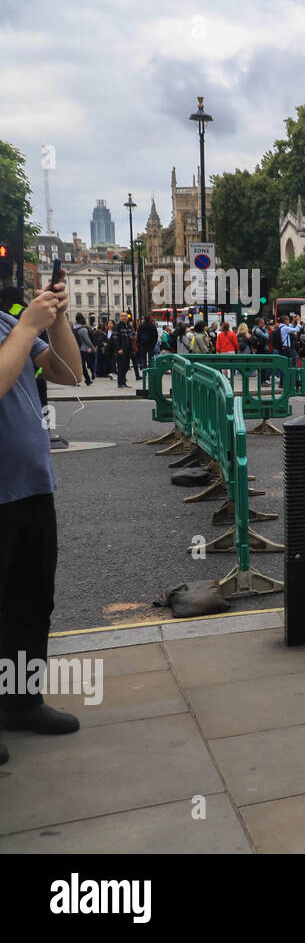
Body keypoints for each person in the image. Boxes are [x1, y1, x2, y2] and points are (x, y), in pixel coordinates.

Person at [0, 277, 84, 765]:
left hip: (31, 488)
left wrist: (57, 319)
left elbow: (70, 372)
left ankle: (20, 702)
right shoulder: (16, 325)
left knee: (31, 603)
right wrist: (30, 321)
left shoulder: (7, 323)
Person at [110, 311, 135, 388]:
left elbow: (132, 335)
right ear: (120, 317)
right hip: (121, 349)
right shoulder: (117, 326)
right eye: (122, 316)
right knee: (121, 366)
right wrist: (118, 348)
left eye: (125, 316)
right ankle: (120, 383)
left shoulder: (127, 326)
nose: (124, 317)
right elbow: (115, 338)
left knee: (126, 366)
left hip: (127, 349)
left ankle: (123, 382)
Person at [72, 313, 95, 385]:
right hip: (82, 349)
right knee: (83, 366)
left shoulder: (72, 328)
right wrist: (93, 348)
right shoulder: (83, 329)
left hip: (74, 349)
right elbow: (87, 341)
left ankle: (75, 380)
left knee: (76, 365)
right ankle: (87, 379)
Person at [135, 316, 158, 380]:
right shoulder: (152, 326)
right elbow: (156, 335)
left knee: (143, 358)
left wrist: (139, 343)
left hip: (143, 344)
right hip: (151, 344)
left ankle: (144, 371)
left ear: (144, 319)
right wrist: (154, 343)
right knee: (150, 358)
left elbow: (138, 335)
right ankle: (150, 371)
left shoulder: (141, 326)